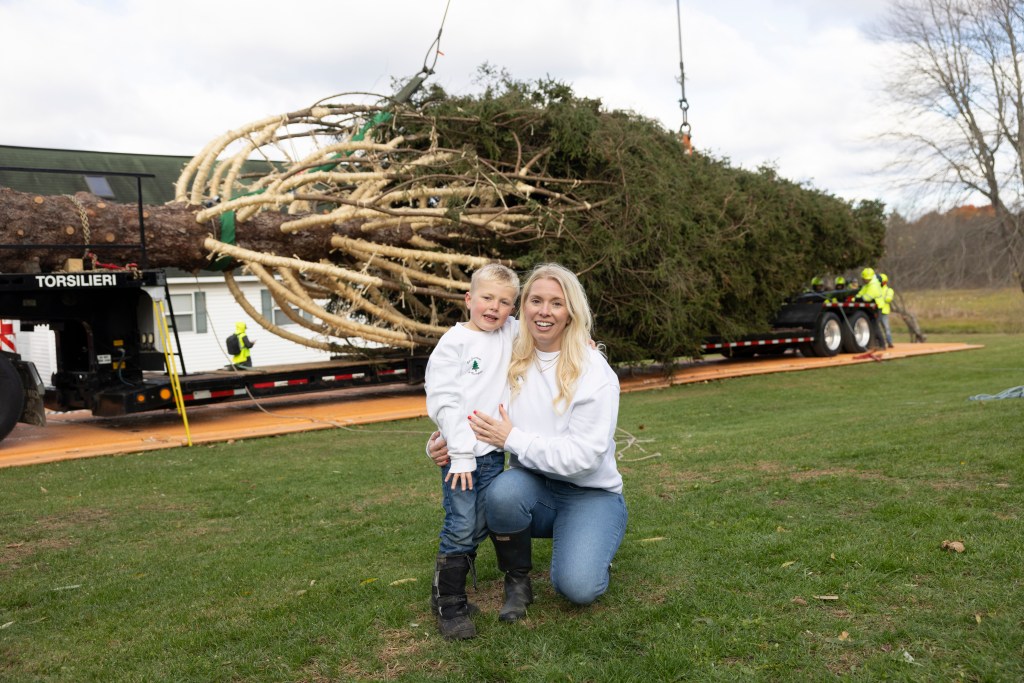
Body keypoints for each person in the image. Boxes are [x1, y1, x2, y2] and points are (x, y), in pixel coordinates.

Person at [430, 263, 627, 622]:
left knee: (579, 588)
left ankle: (593, 544)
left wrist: (512, 438)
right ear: (523, 308)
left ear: (571, 311)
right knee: (500, 493)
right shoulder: (510, 350)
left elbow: (582, 458)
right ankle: (517, 582)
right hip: (534, 486)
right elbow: (466, 397)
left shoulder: (594, 370)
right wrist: (444, 442)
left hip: (589, 491)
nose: (544, 311)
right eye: (536, 301)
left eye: (557, 303)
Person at [423, 263, 520, 640]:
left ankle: (440, 590)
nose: (494, 307)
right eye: (487, 298)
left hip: (493, 455)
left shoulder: (510, 331)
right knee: (461, 526)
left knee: (482, 523)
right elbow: (444, 402)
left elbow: (551, 329)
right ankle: (450, 603)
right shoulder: (454, 343)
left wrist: (588, 343)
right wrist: (460, 453)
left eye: (505, 302)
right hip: (460, 458)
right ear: (469, 299)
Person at [854, 267, 886, 349]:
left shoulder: (874, 285)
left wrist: (858, 299)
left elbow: (867, 297)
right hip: (872, 308)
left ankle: (882, 345)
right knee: (872, 326)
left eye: (867, 279)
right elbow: (861, 293)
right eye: (864, 279)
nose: (865, 280)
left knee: (875, 327)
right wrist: (855, 298)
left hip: (877, 308)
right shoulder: (868, 285)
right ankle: (876, 345)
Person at [879, 273, 895, 348]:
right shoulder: (877, 289)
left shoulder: (889, 290)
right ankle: (879, 343)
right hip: (876, 311)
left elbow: (889, 299)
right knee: (877, 328)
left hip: (884, 311)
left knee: (886, 328)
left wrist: (880, 299)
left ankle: (889, 342)